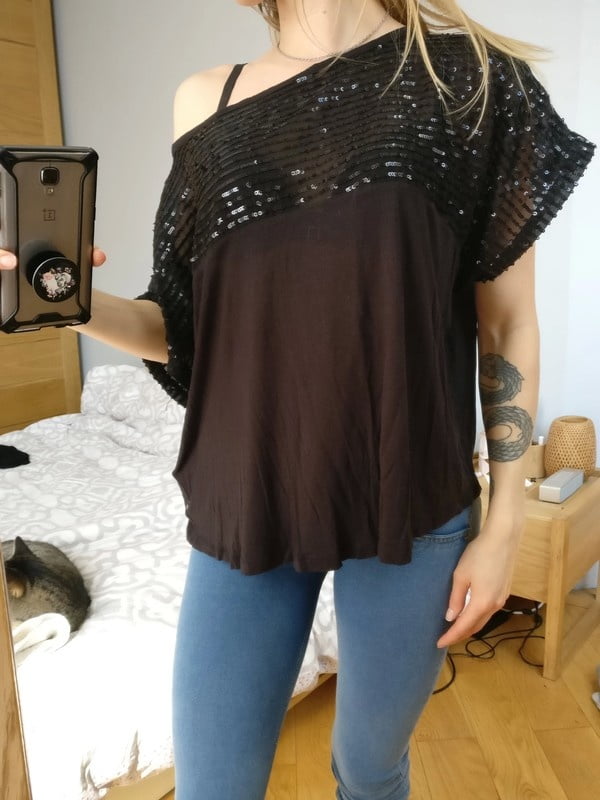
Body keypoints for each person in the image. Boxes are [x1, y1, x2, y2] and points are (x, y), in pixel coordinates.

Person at [1, 1, 595, 798]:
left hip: (410, 501)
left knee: (370, 769)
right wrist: (66, 299)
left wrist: (506, 526)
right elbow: (186, 331)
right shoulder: (206, 99)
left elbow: (508, 322)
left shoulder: (472, 82)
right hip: (248, 494)